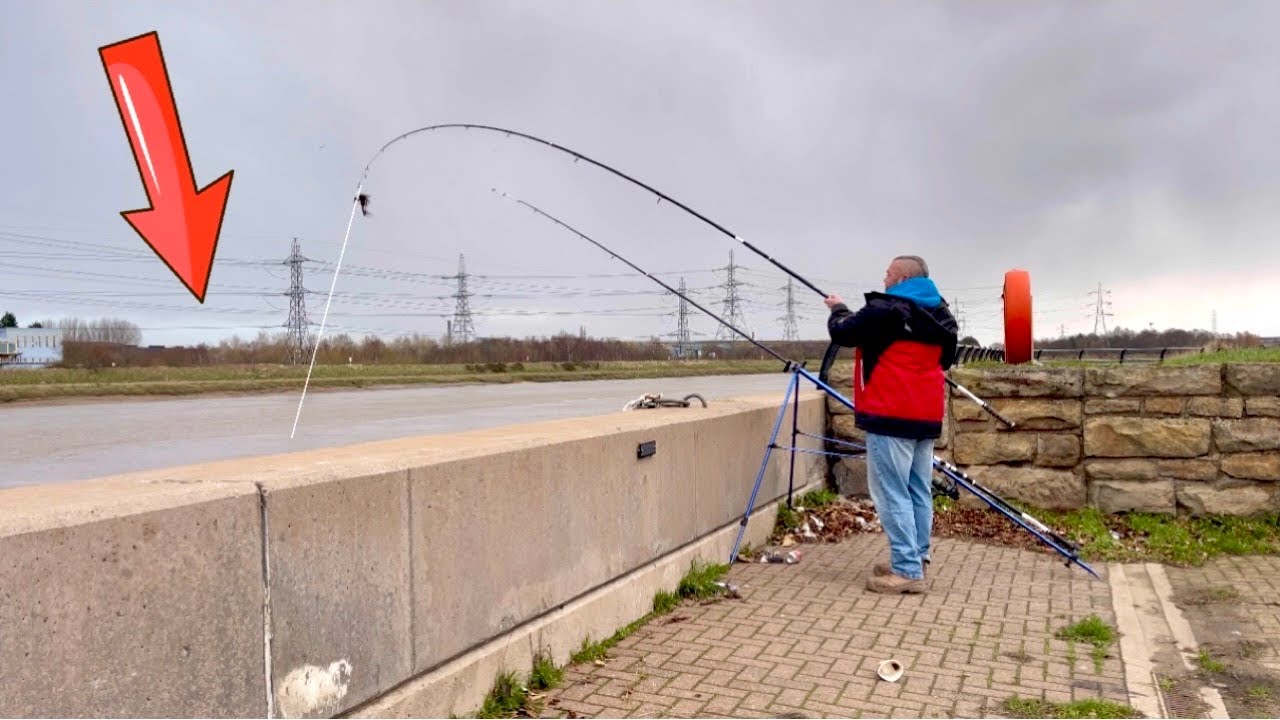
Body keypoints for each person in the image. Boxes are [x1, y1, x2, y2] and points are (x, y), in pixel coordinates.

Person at [824, 255, 958, 594]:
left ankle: (907, 570)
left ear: (901, 277)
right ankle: (915, 557)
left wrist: (837, 307)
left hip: (890, 413)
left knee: (891, 491)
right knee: (917, 489)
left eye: (887, 272)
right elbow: (945, 358)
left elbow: (844, 331)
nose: (883, 278)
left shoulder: (886, 308)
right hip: (925, 415)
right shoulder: (942, 313)